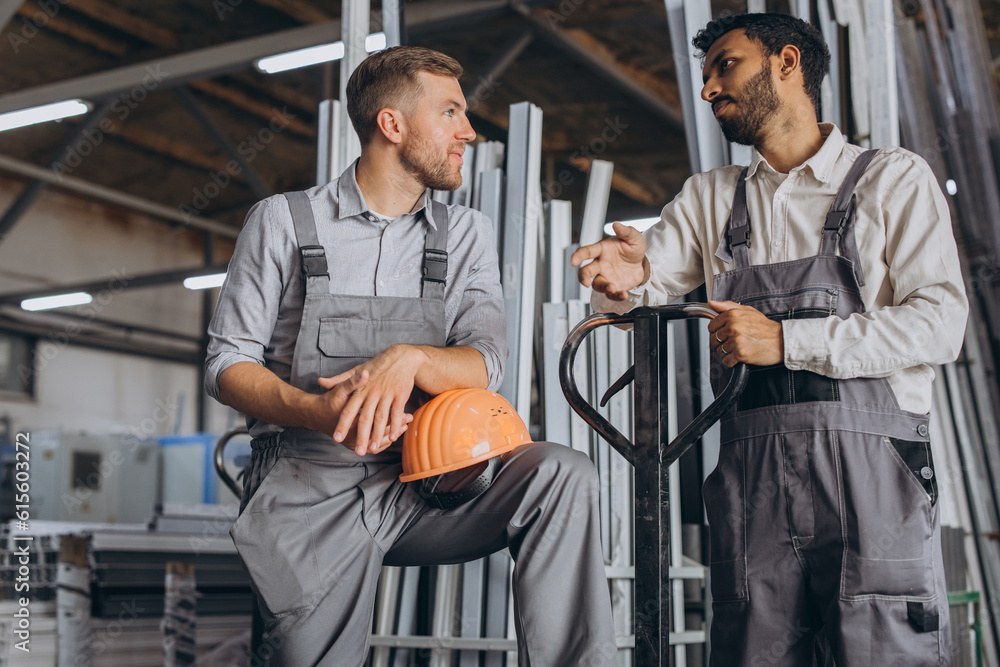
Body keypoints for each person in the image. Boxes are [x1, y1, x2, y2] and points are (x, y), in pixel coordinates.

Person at [572, 13, 967, 667]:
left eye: (725, 65)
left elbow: (940, 323)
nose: (707, 90)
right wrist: (622, 276)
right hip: (754, 484)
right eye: (705, 75)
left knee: (886, 646)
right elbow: (643, 284)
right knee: (751, 646)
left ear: (787, 62)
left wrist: (786, 341)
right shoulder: (710, 199)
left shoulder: (892, 180)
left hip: (876, 480)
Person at [205, 46, 616, 666]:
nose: (468, 132)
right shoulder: (284, 223)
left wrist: (409, 359)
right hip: (306, 486)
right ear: (392, 126)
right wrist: (315, 411)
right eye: (450, 112)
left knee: (563, 475)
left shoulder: (466, 234)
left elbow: (486, 361)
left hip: (430, 484)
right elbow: (226, 364)